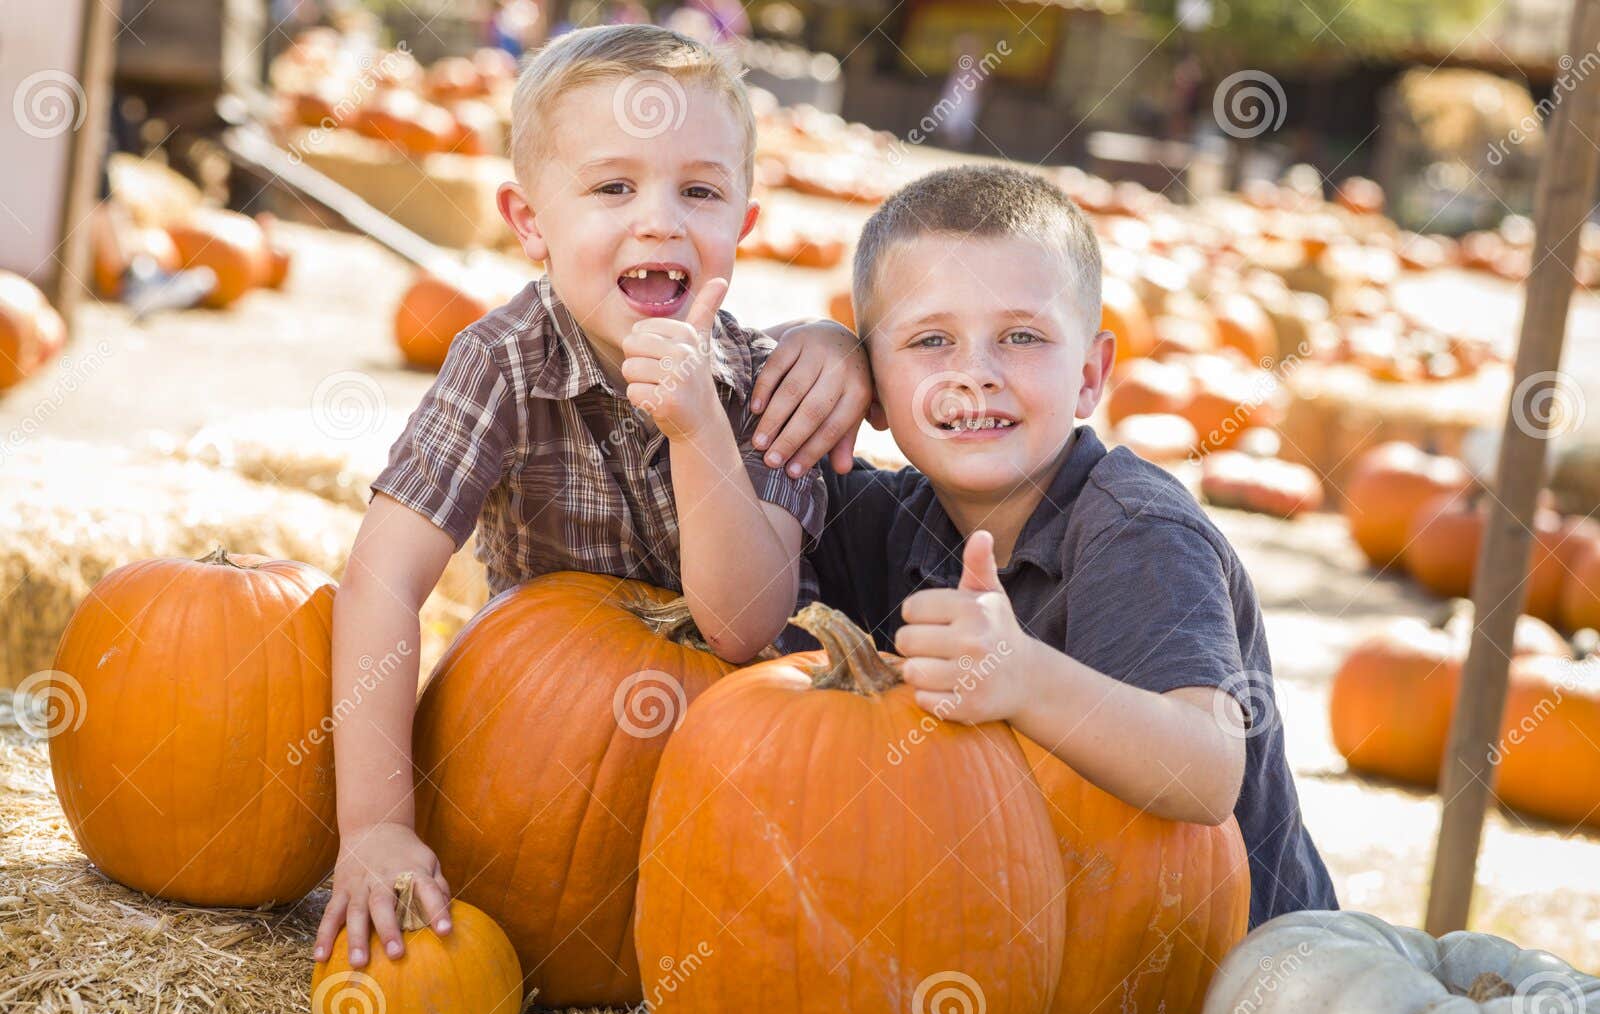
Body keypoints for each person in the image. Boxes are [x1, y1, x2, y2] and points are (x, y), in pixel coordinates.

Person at [313, 25, 873, 965]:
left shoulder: (771, 386)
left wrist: (700, 428)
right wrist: (373, 825)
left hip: (726, 778)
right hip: (537, 760)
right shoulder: (500, 362)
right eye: (614, 187)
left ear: (744, 220)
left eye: (698, 191)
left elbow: (741, 625)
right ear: (530, 221)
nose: (658, 220)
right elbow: (381, 580)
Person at [802, 165, 1336, 927]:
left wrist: (1022, 677)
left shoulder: (1136, 529)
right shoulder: (885, 520)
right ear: (875, 389)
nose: (976, 374)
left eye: (1021, 336)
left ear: (1090, 375)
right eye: (929, 340)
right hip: (1039, 958)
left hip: (1234, 985)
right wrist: (815, 349)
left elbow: (1207, 769)